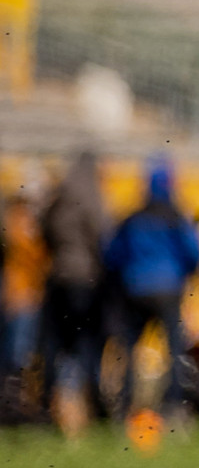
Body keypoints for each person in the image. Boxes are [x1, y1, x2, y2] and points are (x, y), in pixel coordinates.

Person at [102, 155, 199, 422]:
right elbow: (194, 254)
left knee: (130, 349)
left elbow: (113, 254)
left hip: (135, 290)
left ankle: (123, 409)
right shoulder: (177, 217)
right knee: (174, 349)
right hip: (169, 290)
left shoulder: (134, 218)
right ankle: (174, 407)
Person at [39, 152, 110, 436]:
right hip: (86, 280)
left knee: (55, 346)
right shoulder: (90, 195)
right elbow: (102, 234)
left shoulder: (59, 197)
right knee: (86, 343)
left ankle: (49, 404)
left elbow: (44, 230)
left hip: (57, 277)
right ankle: (88, 405)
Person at [2, 182, 45, 419]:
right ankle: (12, 408)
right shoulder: (19, 226)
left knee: (21, 354)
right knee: (18, 354)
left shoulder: (14, 225)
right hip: (22, 297)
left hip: (24, 296)